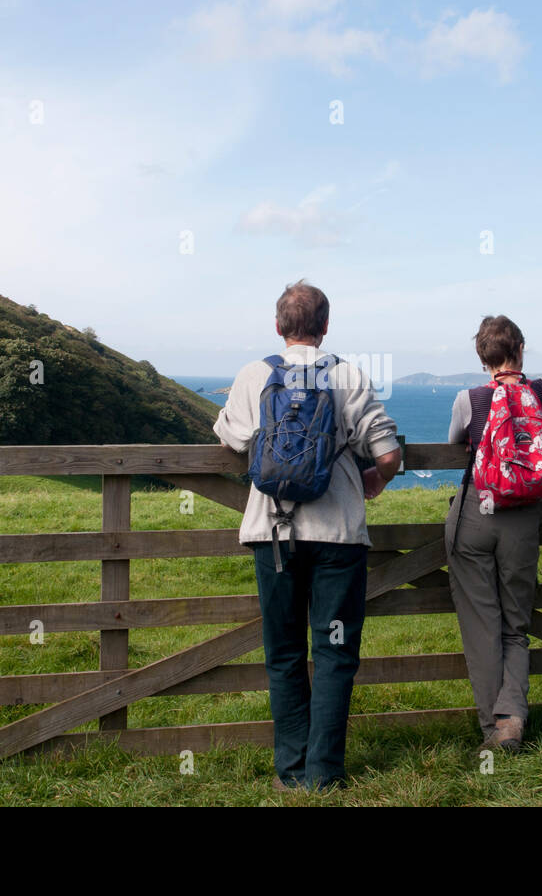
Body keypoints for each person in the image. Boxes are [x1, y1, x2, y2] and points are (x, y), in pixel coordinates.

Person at [214, 280, 401, 791]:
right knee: (336, 651)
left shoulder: (255, 375)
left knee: (285, 652)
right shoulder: (346, 374)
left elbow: (230, 435)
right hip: (338, 534)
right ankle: (325, 773)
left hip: (272, 532)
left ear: (279, 327)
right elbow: (387, 454)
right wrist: (375, 479)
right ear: (324, 326)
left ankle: (290, 771)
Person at [444, 315, 542, 752]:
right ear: (521, 347)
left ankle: (492, 730)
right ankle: (511, 718)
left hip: (477, 509)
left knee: (482, 627)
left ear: (481, 355)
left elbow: (456, 440)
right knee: (516, 623)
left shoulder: (469, 398)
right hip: (525, 515)